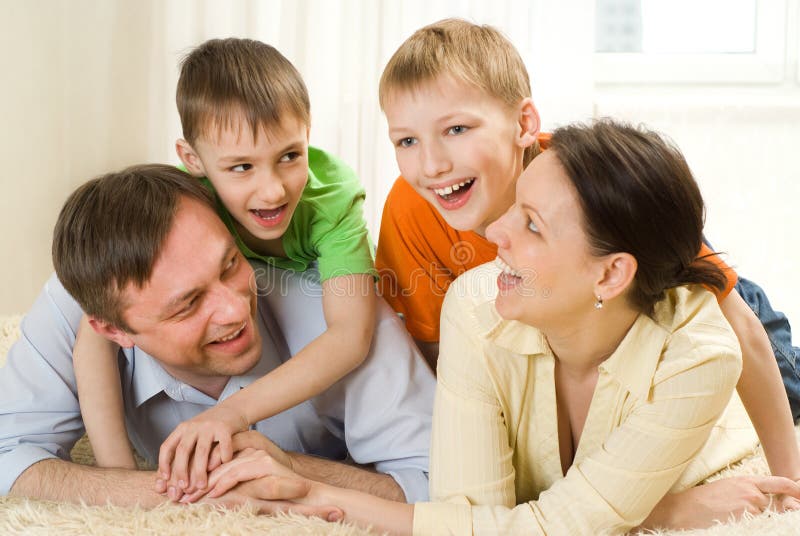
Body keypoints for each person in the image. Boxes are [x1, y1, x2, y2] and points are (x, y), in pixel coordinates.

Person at [189, 120, 800, 534]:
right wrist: (651, 512)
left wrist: (328, 498)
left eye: (531, 225)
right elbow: (473, 513)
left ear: (609, 274)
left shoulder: (700, 357)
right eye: (515, 209)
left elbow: (554, 526)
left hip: (735, 326)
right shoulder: (476, 302)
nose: (493, 235)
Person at [374, 18, 800, 481]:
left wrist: (790, 479)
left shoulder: (587, 177)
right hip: (587, 351)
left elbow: (740, 327)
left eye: (456, 129)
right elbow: (442, 358)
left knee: (787, 387)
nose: (433, 164)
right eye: (407, 141)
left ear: (524, 124)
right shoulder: (410, 210)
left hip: (676, 293)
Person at [0, 164, 434, 507]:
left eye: (230, 264)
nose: (234, 309)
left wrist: (291, 470)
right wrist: (155, 493)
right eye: (188, 304)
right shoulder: (78, 300)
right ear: (113, 329)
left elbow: (441, 486)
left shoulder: (339, 306)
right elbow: (8, 455)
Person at [70, 38, 380, 493]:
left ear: (308, 133)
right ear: (192, 160)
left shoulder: (331, 198)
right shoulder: (189, 206)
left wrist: (232, 413)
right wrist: (118, 477)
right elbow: (93, 339)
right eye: (241, 168)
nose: (273, 190)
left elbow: (351, 337)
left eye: (290, 156)